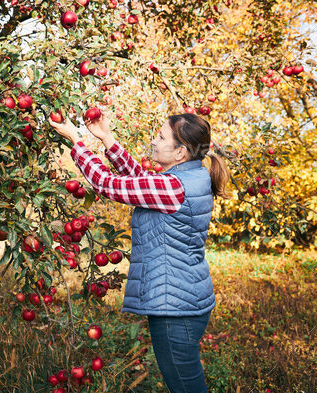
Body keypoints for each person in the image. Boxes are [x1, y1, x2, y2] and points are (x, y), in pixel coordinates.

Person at [49, 111, 231, 393]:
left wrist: (76, 140)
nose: (154, 141)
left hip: (176, 308)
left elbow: (106, 184)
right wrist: (106, 139)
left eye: (161, 137)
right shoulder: (190, 177)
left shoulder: (174, 187)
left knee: (186, 386)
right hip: (185, 298)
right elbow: (142, 179)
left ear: (180, 152)